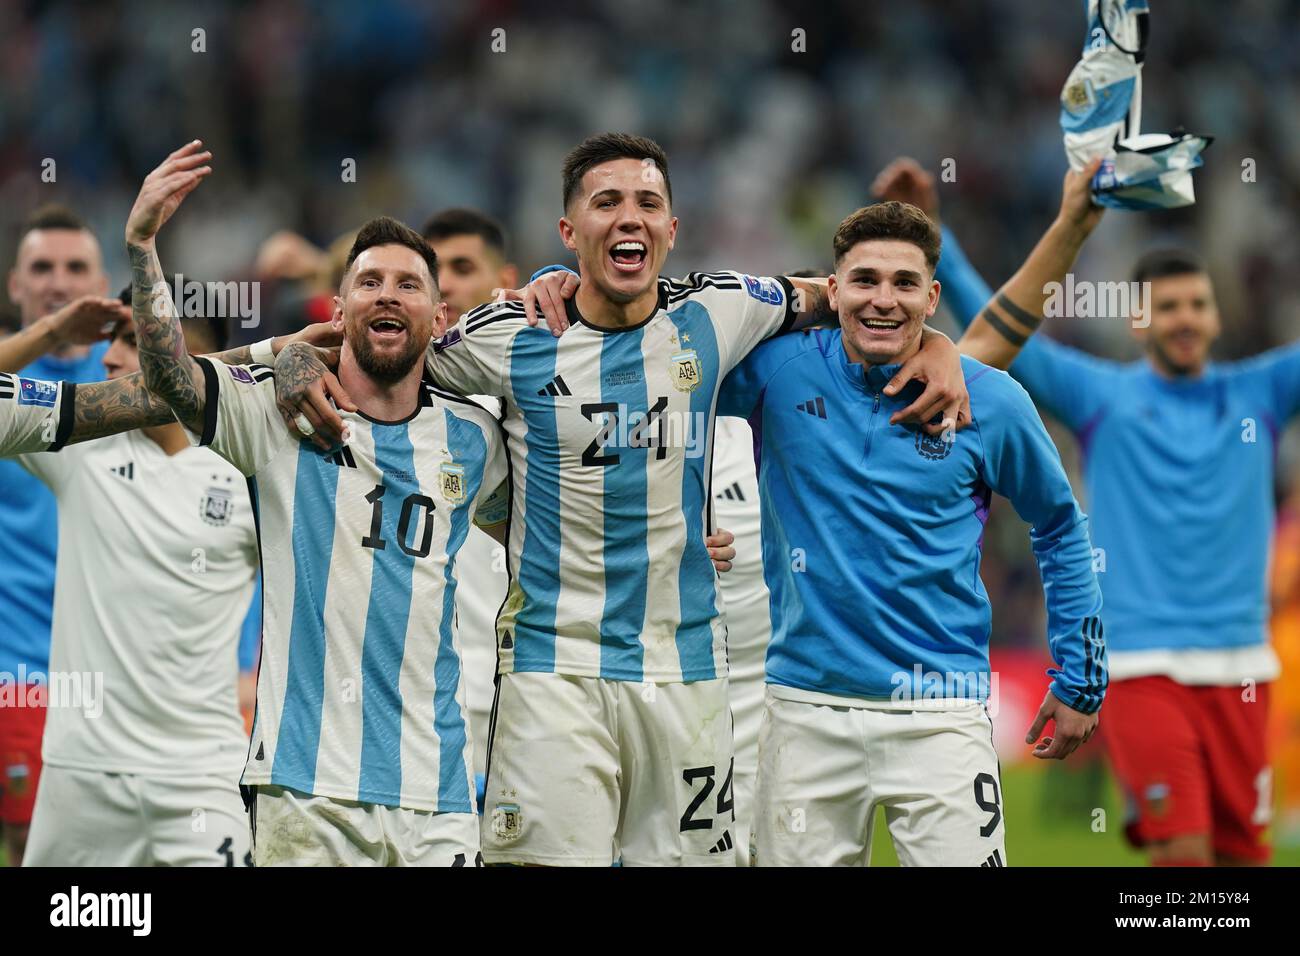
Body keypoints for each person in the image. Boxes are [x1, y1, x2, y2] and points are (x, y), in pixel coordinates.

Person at [276, 132, 969, 866]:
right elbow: (378, 356)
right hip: (554, 667)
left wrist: (940, 346)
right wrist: (286, 354)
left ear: (673, 230)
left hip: (687, 673)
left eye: (648, 203)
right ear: (570, 232)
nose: (629, 217)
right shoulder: (509, 332)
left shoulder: (721, 308)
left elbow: (842, 300)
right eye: (607, 202)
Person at [885, 156, 1285, 866]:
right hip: (1143, 664)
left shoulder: (1261, 392)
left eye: (1196, 304)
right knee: (1184, 859)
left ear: (1217, 314)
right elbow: (1000, 334)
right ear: (1138, 320)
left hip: (1245, 670)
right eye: (1167, 306)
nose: (1185, 319)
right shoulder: (1102, 395)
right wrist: (936, 241)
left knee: (1242, 860)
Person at [126, 141, 511, 866]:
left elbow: (538, 531)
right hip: (306, 790)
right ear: (339, 308)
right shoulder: (272, 417)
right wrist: (144, 246)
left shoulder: (475, 438)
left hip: (440, 793)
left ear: (438, 312)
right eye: (369, 283)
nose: (388, 294)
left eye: (407, 283)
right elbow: (171, 379)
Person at [718, 200, 1105, 866]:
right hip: (805, 713)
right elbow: (659, 359)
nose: (883, 299)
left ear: (932, 297)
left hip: (941, 716)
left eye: (904, 284)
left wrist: (1081, 677)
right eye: (865, 280)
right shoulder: (776, 372)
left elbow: (1061, 528)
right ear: (831, 291)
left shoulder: (989, 399)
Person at [16, 309, 259, 866]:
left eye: (130, 341)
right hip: (84, 776)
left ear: (185, 360)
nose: (108, 357)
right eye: (110, 341)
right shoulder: (81, 450)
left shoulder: (250, 465)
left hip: (203, 775)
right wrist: (50, 332)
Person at [0, 206, 119, 864]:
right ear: (15, 285)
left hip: (121, 669)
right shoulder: (8, 383)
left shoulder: (135, 378)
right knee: (32, 847)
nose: (59, 281)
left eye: (76, 268)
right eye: (41, 268)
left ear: (102, 281)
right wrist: (49, 333)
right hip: (19, 671)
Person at [420, 208, 518, 786]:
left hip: (530, 692)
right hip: (428, 706)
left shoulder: (544, 399)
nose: (447, 284)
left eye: (462, 266)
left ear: (505, 280)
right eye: (431, 271)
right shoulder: (380, 399)